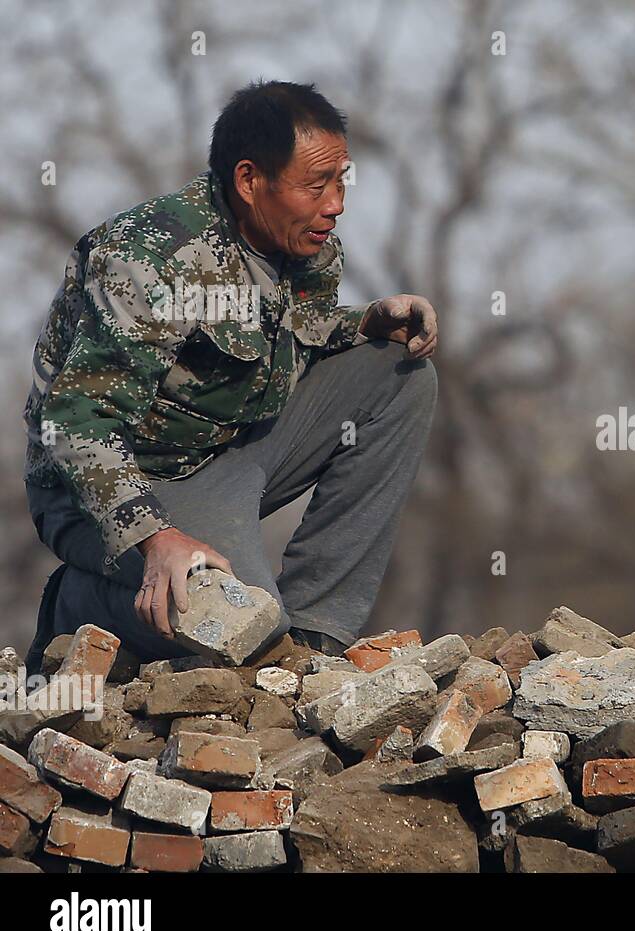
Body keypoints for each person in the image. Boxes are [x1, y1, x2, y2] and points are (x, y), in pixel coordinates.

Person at [24, 80, 440, 671]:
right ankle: (79, 604)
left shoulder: (303, 244)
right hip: (112, 488)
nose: (336, 203)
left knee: (401, 375)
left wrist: (368, 322)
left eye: (341, 180)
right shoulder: (152, 259)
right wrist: (156, 540)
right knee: (233, 628)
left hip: (226, 449)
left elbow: (294, 336)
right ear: (250, 181)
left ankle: (315, 638)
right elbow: (76, 424)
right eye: (316, 184)